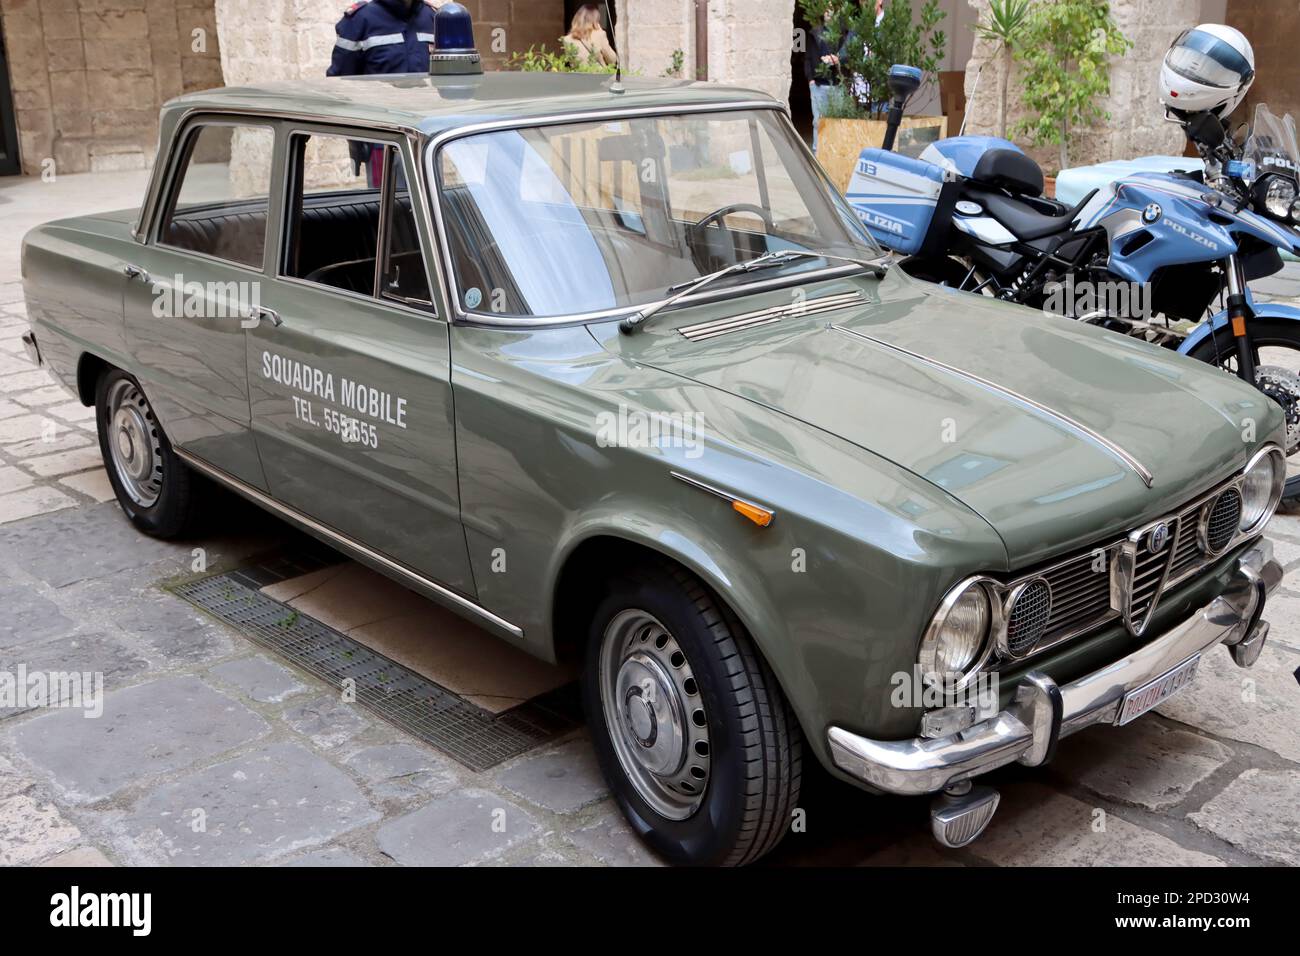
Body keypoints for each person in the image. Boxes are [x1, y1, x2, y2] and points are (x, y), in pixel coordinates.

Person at [327, 0, 444, 184]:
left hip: (427, 139)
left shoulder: (433, 18)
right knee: (385, 208)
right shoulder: (360, 20)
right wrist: (356, 136)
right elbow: (340, 83)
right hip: (383, 140)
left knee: (432, 206)